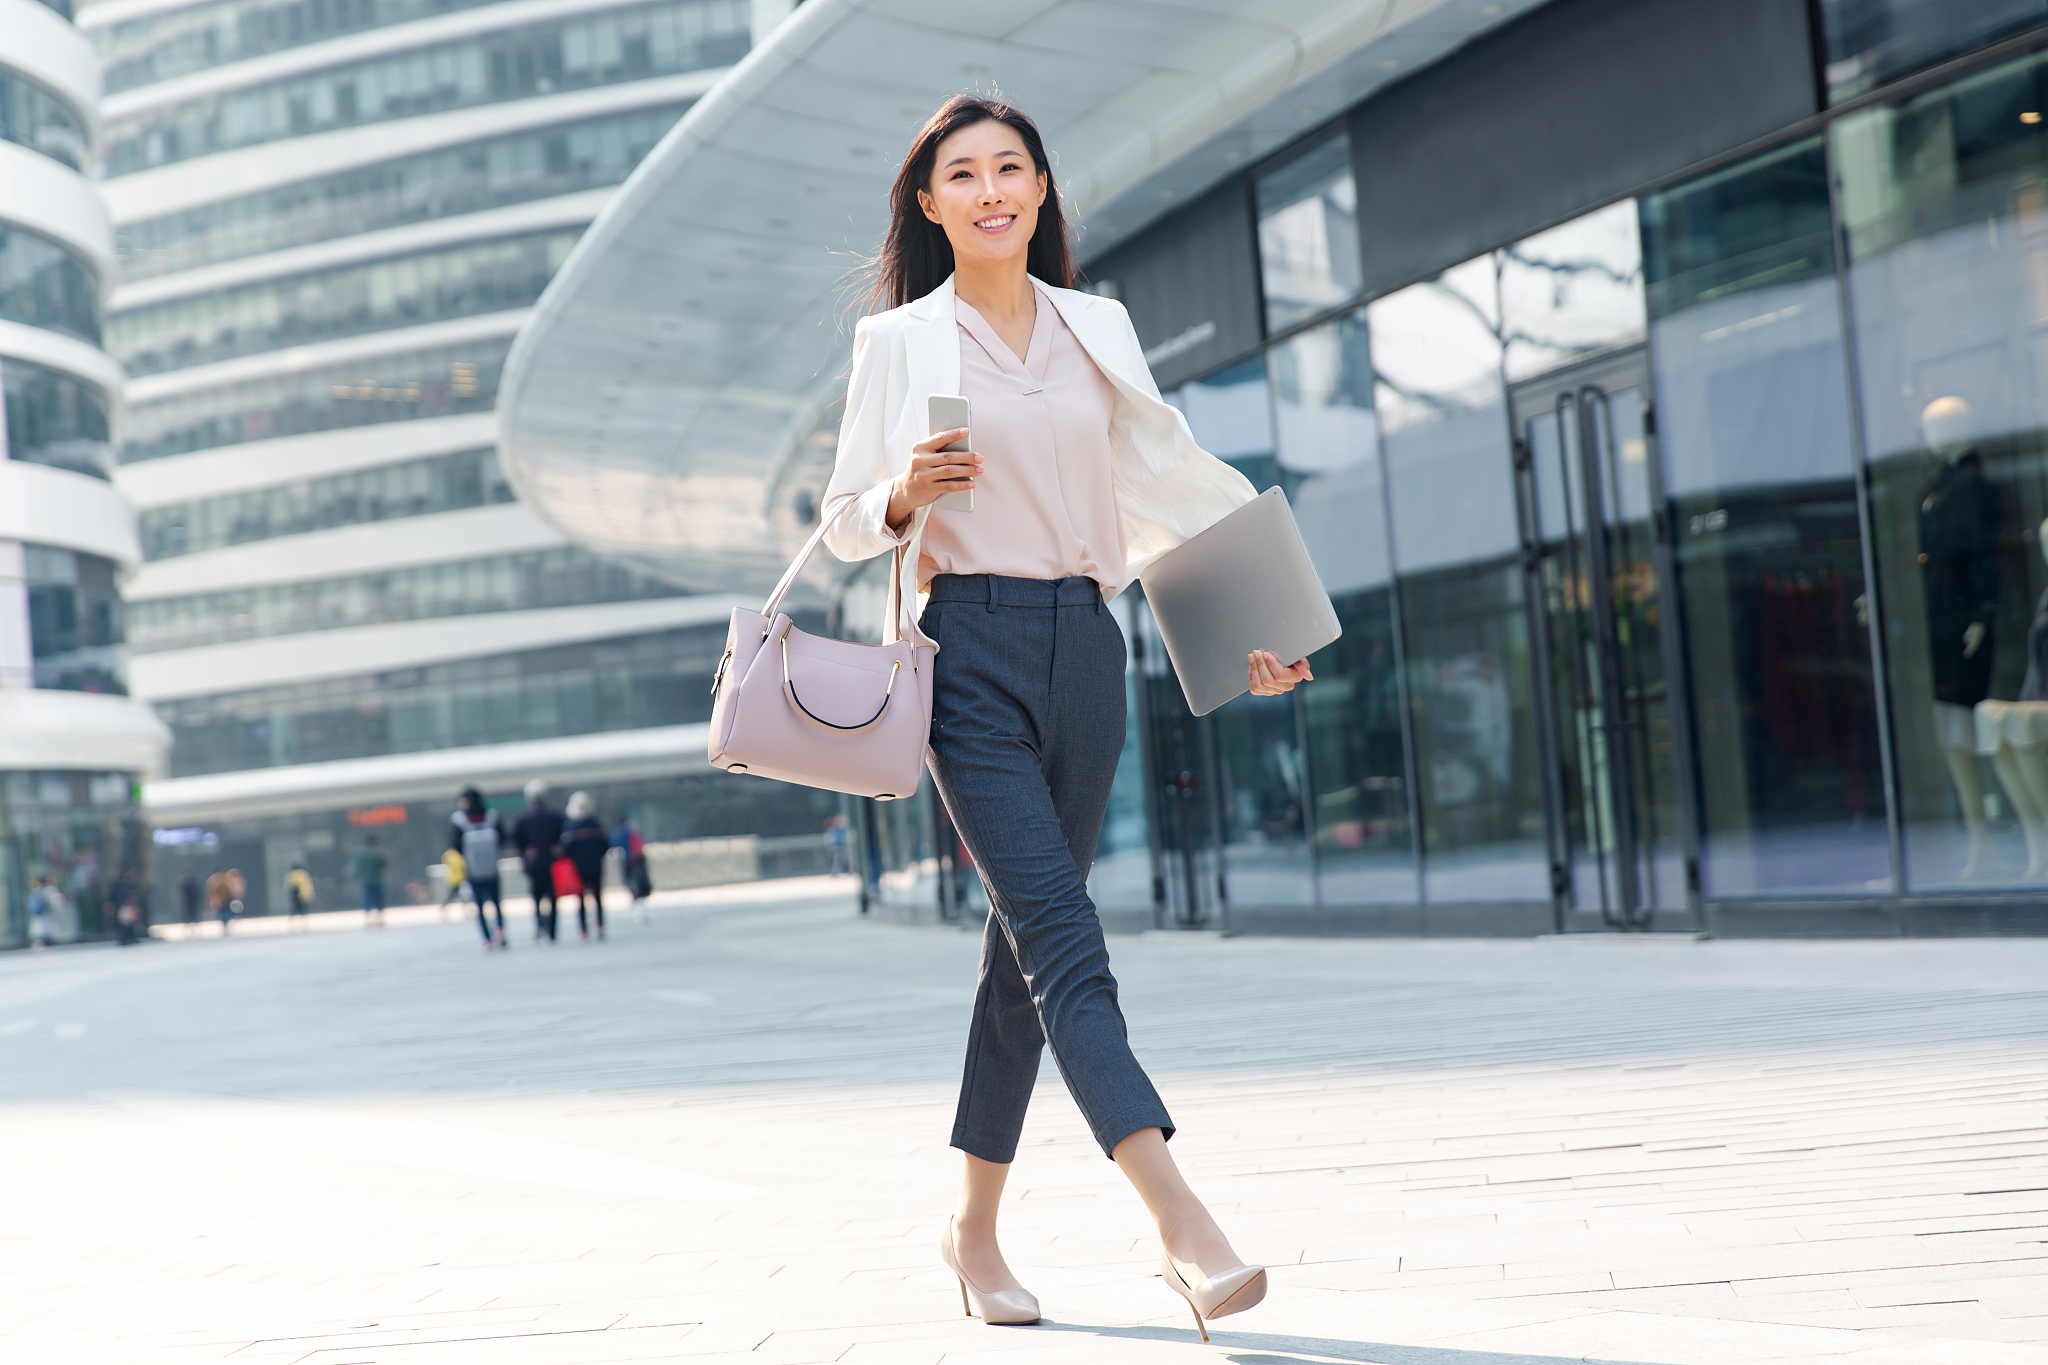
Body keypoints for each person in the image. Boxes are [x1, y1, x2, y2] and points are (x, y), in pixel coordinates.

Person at [820, 96, 1309, 1334]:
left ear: (1040, 193)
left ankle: (970, 1233)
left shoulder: (1098, 329)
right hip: (965, 651)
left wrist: (1253, 627)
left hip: (1087, 648)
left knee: (1023, 957)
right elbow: (835, 525)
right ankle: (1180, 1226)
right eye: (963, 175)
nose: (991, 191)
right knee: (1064, 938)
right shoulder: (900, 343)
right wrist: (895, 496)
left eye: (1011, 171)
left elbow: (1167, 485)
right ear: (927, 205)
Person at [450, 788, 508, 949]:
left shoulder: (459, 820)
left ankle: (488, 939)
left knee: (479, 905)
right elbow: (502, 839)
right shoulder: (492, 816)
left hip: (473, 870)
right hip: (492, 867)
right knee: (496, 902)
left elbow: (455, 846)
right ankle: (500, 930)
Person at [512, 778, 565, 941]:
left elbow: (515, 838)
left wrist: (525, 850)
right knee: (552, 897)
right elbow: (565, 836)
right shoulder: (556, 817)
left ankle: (539, 925)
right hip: (552, 862)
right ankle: (552, 929)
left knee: (536, 897)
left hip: (534, 864)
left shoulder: (522, 819)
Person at [559, 791, 609, 941]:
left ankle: (583, 929)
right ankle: (599, 926)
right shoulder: (596, 824)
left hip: (577, 868)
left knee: (580, 899)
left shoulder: (570, 827)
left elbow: (565, 850)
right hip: (595, 867)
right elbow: (605, 845)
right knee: (597, 897)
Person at [612, 816, 651, 924]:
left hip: (624, 862)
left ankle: (634, 898)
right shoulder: (632, 831)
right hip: (636, 861)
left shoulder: (617, 833)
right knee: (639, 884)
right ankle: (639, 902)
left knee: (630, 883)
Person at [350, 836, 388, 928]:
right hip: (376, 880)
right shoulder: (376, 852)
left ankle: (368, 919)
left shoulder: (360, 853)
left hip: (365, 881)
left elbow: (356, 867)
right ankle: (379, 918)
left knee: (367, 899)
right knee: (379, 900)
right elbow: (383, 863)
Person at [438, 846, 468, 920]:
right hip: (457, 879)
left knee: (457, 895)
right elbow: (461, 866)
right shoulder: (455, 856)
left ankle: (465, 908)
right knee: (455, 895)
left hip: (453, 879)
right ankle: (444, 907)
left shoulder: (447, 856)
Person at [285, 862, 315, 929]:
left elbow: (290, 885)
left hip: (296, 894)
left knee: (294, 909)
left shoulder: (292, 874)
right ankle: (303, 924)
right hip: (303, 895)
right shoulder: (303, 874)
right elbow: (307, 885)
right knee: (303, 910)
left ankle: (293, 924)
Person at [205, 865, 233, 935]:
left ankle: (226, 923)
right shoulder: (214, 880)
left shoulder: (226, 878)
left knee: (226, 912)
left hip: (226, 898)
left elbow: (230, 888)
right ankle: (224, 924)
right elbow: (211, 891)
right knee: (222, 912)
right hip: (219, 899)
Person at [26, 877, 52, 949]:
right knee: (40, 930)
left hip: (39, 915)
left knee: (39, 930)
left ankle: (39, 944)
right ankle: (39, 945)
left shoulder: (37, 893)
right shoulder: (39, 892)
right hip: (39, 915)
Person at [824, 811, 852, 876]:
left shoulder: (836, 827)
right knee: (838, 860)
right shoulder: (834, 828)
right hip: (836, 846)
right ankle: (835, 873)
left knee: (841, 859)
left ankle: (839, 872)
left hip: (839, 845)